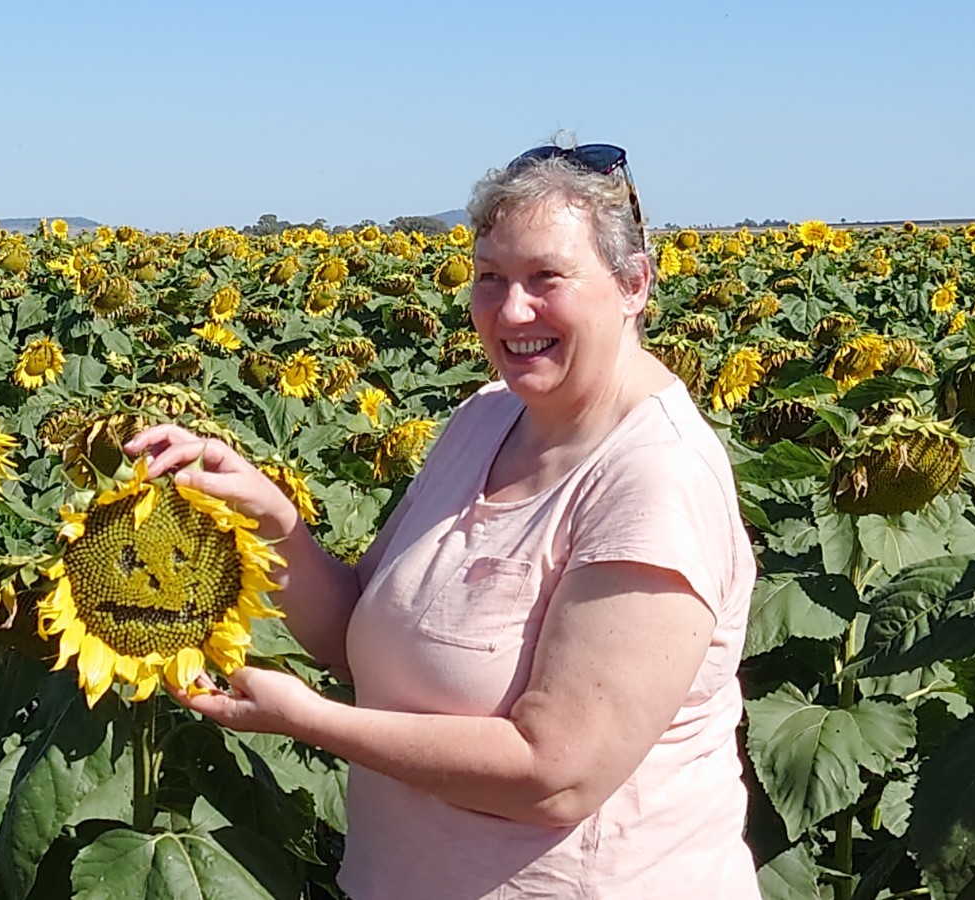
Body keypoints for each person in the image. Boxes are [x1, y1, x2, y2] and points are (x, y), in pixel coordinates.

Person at [124, 142, 761, 899]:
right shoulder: (488, 418)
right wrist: (271, 518)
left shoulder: (653, 478)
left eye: (545, 278)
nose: (512, 309)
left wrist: (309, 721)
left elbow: (554, 777)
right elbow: (357, 635)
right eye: (490, 277)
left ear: (633, 285)